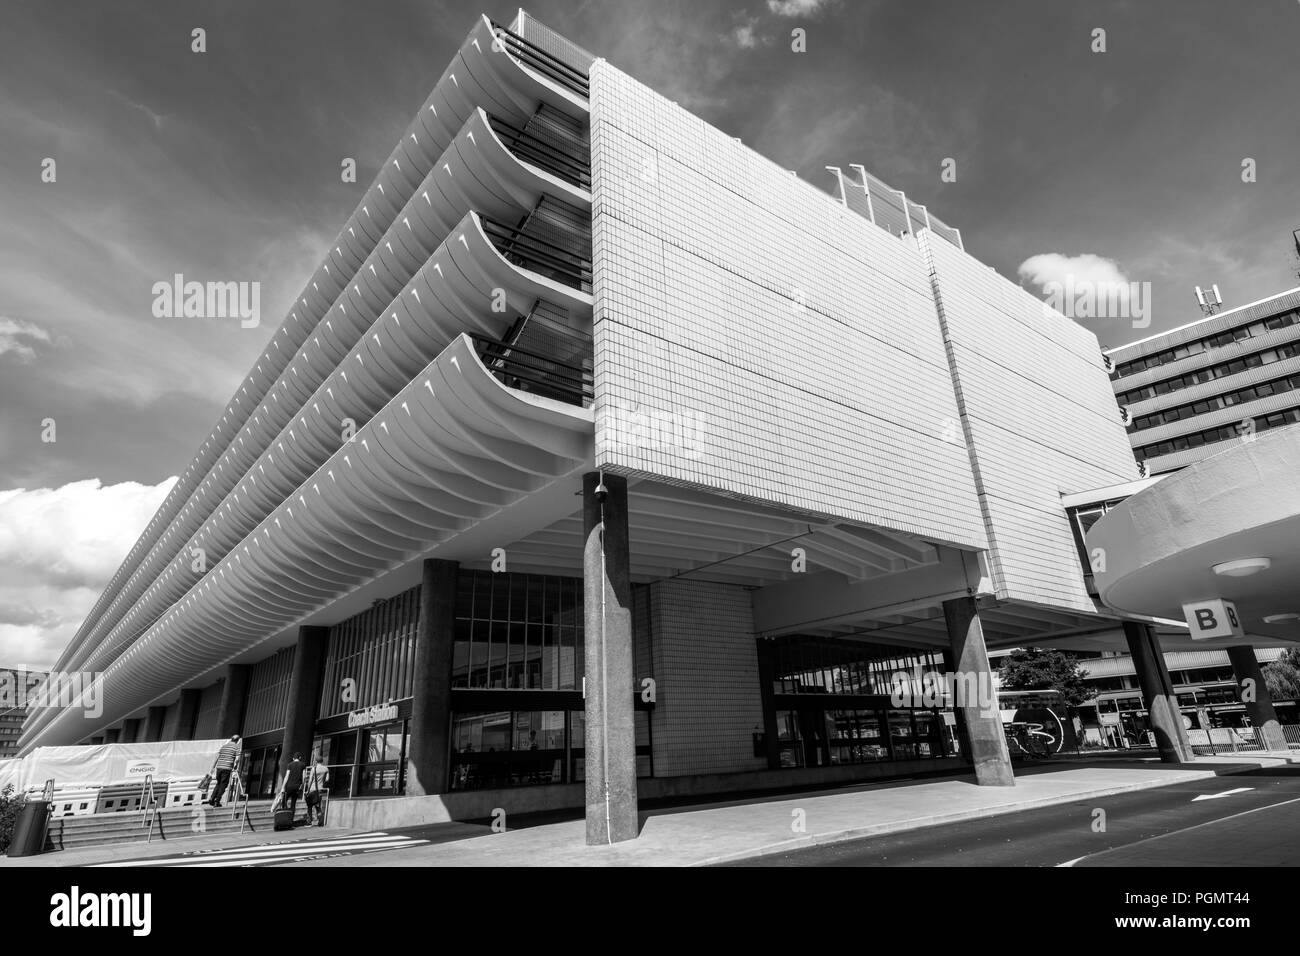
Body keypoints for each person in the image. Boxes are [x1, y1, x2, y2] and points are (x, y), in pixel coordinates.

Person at [207, 734, 241, 808]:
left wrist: (213, 767)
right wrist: (235, 766)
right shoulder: (236, 747)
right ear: (237, 740)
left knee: (218, 783)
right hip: (227, 768)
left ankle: (212, 798)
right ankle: (217, 801)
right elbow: (237, 758)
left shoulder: (224, 746)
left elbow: (217, 757)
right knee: (223, 785)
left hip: (219, 767)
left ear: (231, 739)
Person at [278, 751, 306, 823]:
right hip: (297, 787)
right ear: (300, 758)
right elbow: (304, 777)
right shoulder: (303, 765)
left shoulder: (289, 765)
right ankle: (291, 820)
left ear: (293, 758)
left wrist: (283, 787)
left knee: (284, 801)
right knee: (293, 804)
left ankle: (284, 817)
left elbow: (286, 777)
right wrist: (302, 785)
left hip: (289, 786)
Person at [304, 753, 330, 827]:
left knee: (309, 806)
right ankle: (320, 821)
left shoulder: (314, 769)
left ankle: (309, 822)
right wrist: (322, 781)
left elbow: (310, 780)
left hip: (312, 790)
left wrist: (307, 790)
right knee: (318, 807)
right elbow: (327, 779)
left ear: (316, 761)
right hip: (320, 790)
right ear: (322, 761)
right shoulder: (326, 769)